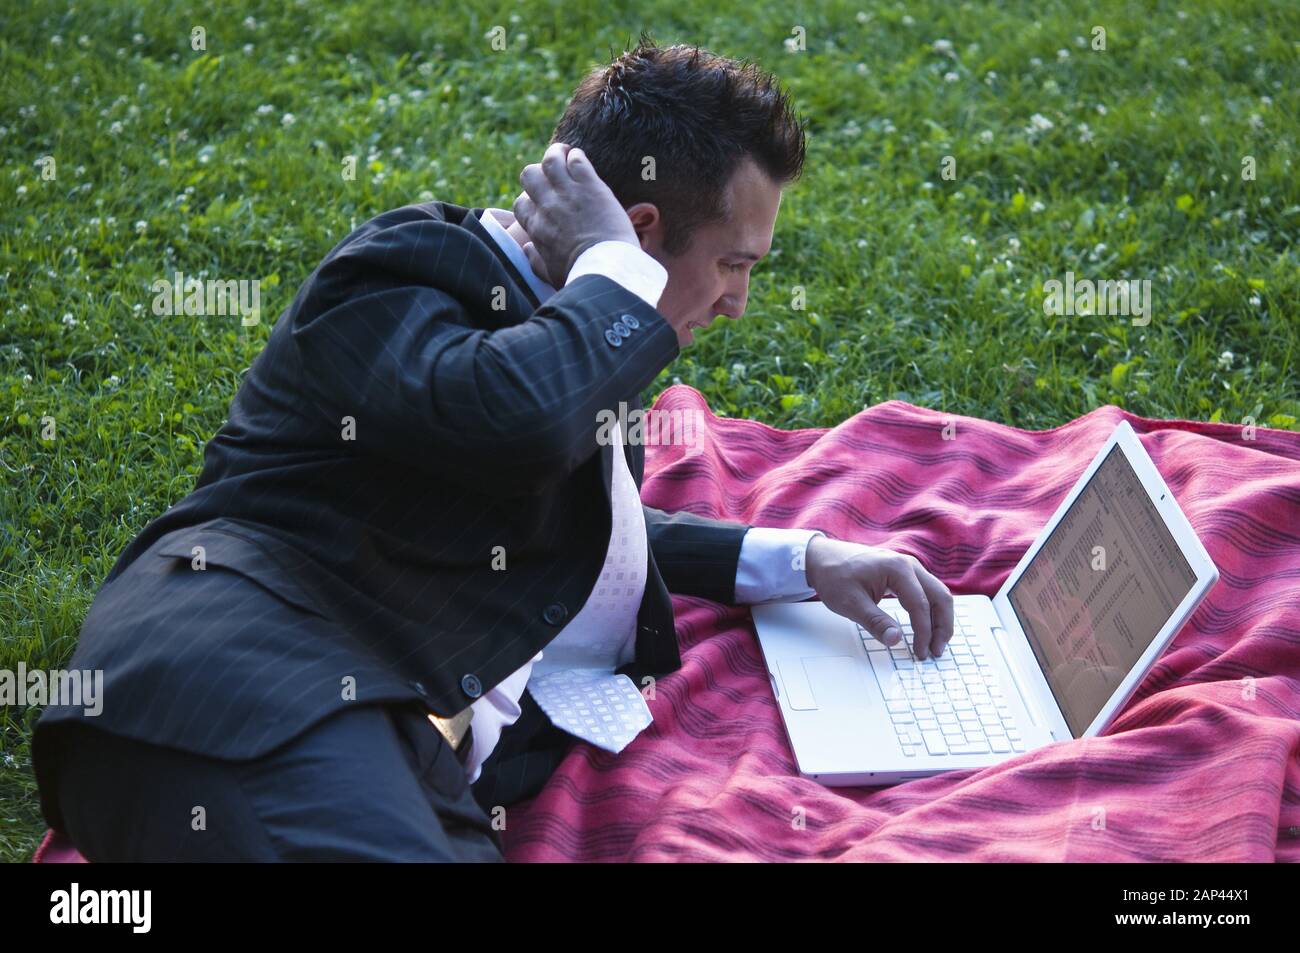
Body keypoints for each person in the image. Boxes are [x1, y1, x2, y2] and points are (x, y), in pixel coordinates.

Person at [32, 37, 953, 861]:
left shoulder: (578, 340)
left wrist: (795, 559)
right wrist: (618, 283)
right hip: (233, 685)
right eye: (734, 264)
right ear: (633, 234)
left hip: (380, 733)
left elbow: (572, 520)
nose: (738, 303)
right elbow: (519, 426)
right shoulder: (404, 270)